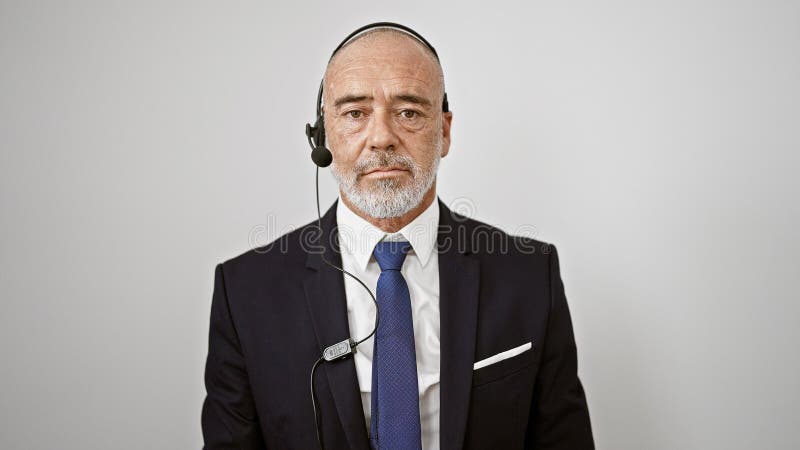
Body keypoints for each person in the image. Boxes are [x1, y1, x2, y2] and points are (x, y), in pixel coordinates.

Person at [201, 22, 594, 450]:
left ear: (444, 132)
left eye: (409, 112)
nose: (383, 137)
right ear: (323, 135)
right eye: (355, 113)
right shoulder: (244, 292)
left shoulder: (530, 275)